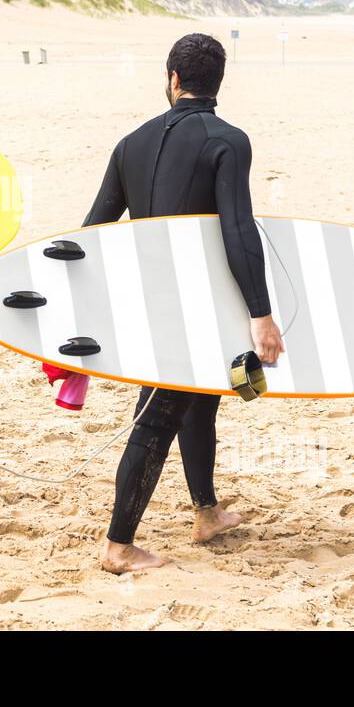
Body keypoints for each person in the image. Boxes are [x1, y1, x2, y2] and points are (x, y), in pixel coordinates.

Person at [84, 32, 284, 574]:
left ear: (173, 79)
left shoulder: (130, 143)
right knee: (157, 418)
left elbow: (93, 235)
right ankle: (119, 547)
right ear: (216, 81)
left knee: (202, 399)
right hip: (197, 307)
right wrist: (261, 313)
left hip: (149, 304)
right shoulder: (228, 141)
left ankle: (208, 511)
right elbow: (237, 232)